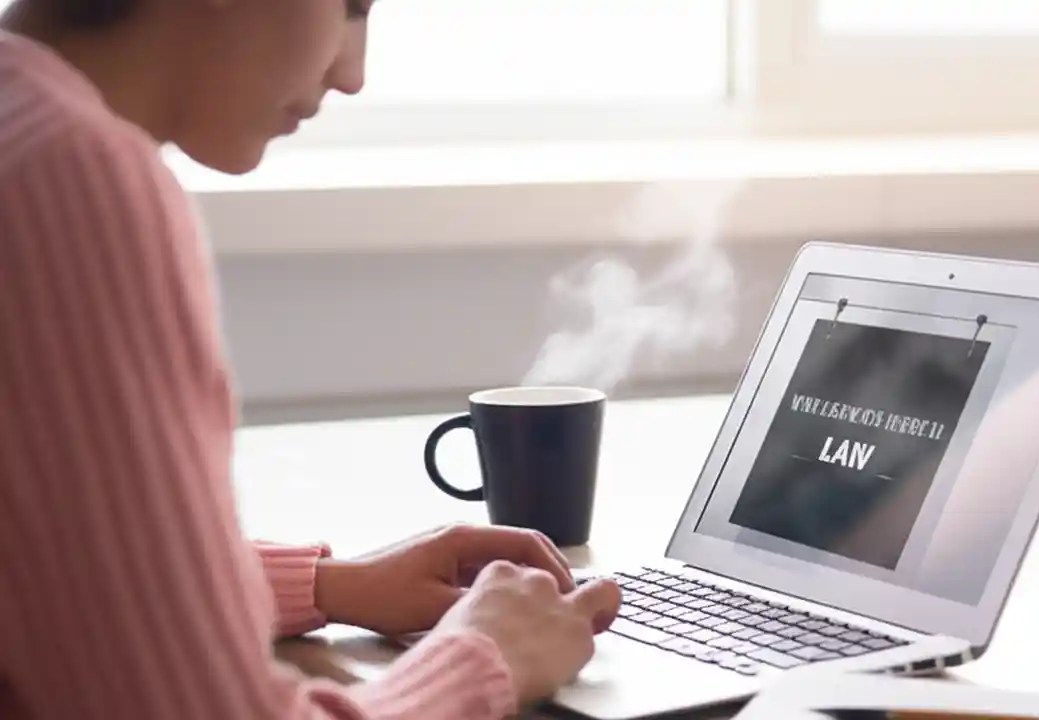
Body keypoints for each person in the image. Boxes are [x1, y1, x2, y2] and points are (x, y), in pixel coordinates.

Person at [0, 1, 622, 718]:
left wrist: (329, 584)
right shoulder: (70, 178)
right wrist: (487, 657)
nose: (352, 73)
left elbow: (55, 575)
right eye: (351, 4)